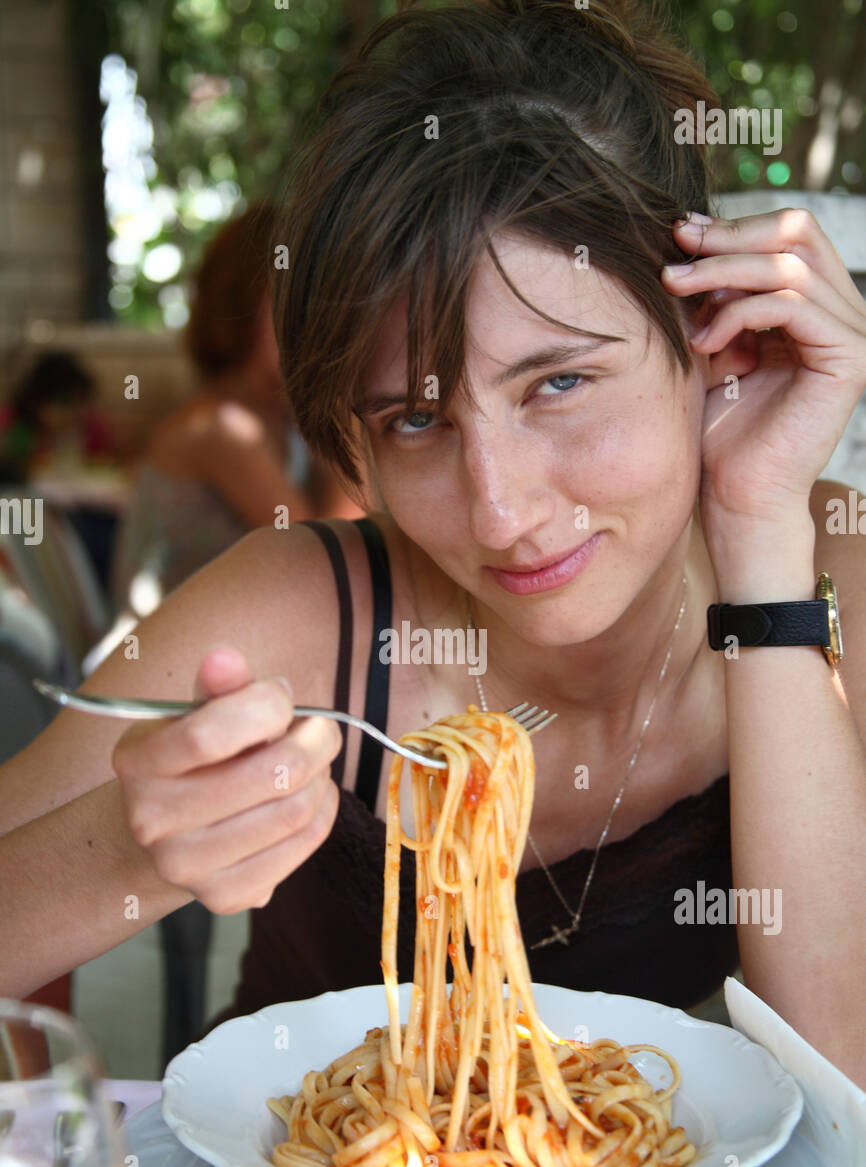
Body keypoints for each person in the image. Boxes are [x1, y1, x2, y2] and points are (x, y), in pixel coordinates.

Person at [0, 0, 864, 1088]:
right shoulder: (305, 614)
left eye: (558, 382)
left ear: (712, 342)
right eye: (416, 419)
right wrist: (126, 850)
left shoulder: (830, 570)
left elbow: (845, 1085)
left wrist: (758, 546)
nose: (498, 513)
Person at [110, 201, 363, 617]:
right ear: (240, 304)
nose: (321, 325)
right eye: (296, 301)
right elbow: (326, 563)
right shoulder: (223, 430)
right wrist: (349, 414)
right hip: (158, 665)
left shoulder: (281, 419)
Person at [0, 351, 114, 486]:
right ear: (37, 401)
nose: (72, 414)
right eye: (64, 404)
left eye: (79, 404)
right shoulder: (14, 425)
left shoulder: (91, 427)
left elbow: (106, 468)